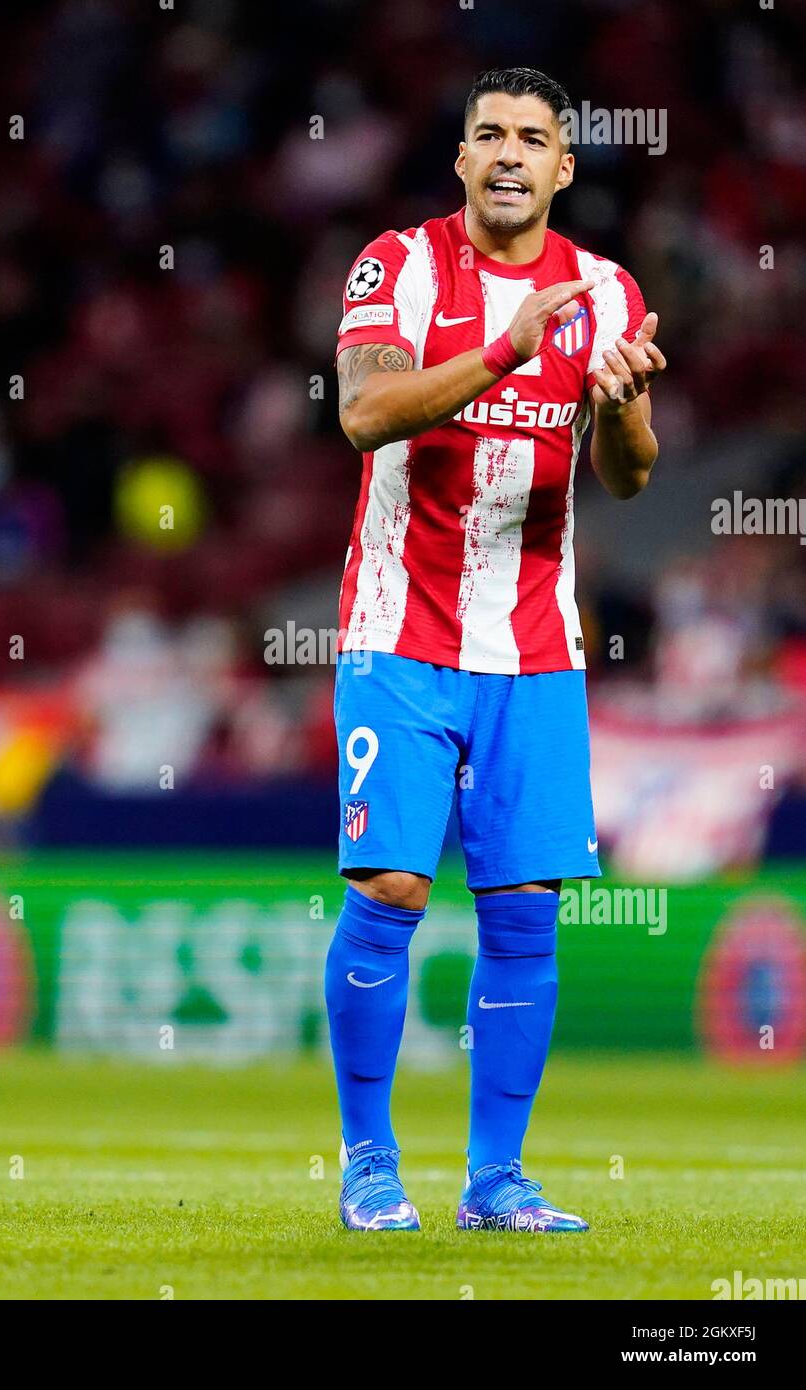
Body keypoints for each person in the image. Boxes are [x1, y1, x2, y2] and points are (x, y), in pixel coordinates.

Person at [326, 67, 666, 1232]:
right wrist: (505, 352)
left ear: (565, 166)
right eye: (489, 136)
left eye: (534, 138)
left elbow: (629, 473)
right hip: (400, 633)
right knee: (393, 885)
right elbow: (364, 415)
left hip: (535, 648)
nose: (511, 154)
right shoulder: (399, 267)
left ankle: (494, 1178)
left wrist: (619, 406)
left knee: (524, 909)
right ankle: (369, 1161)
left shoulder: (609, 293)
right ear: (461, 160)